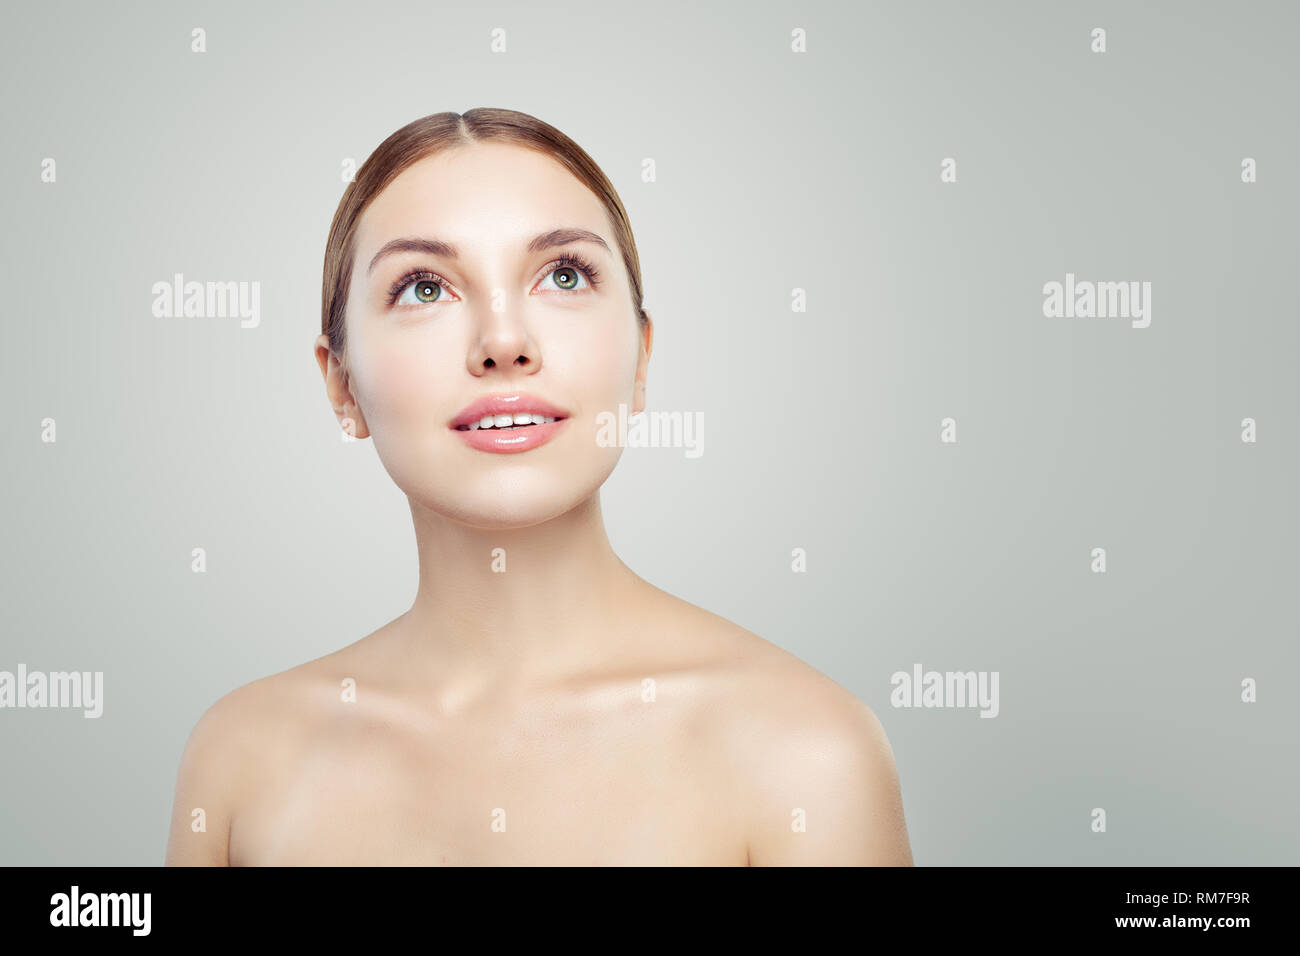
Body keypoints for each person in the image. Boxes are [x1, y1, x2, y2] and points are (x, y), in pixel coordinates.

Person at [164, 107, 913, 865]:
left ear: (642, 358)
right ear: (341, 384)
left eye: (563, 276)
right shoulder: (244, 760)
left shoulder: (805, 755)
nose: (503, 343)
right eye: (424, 288)